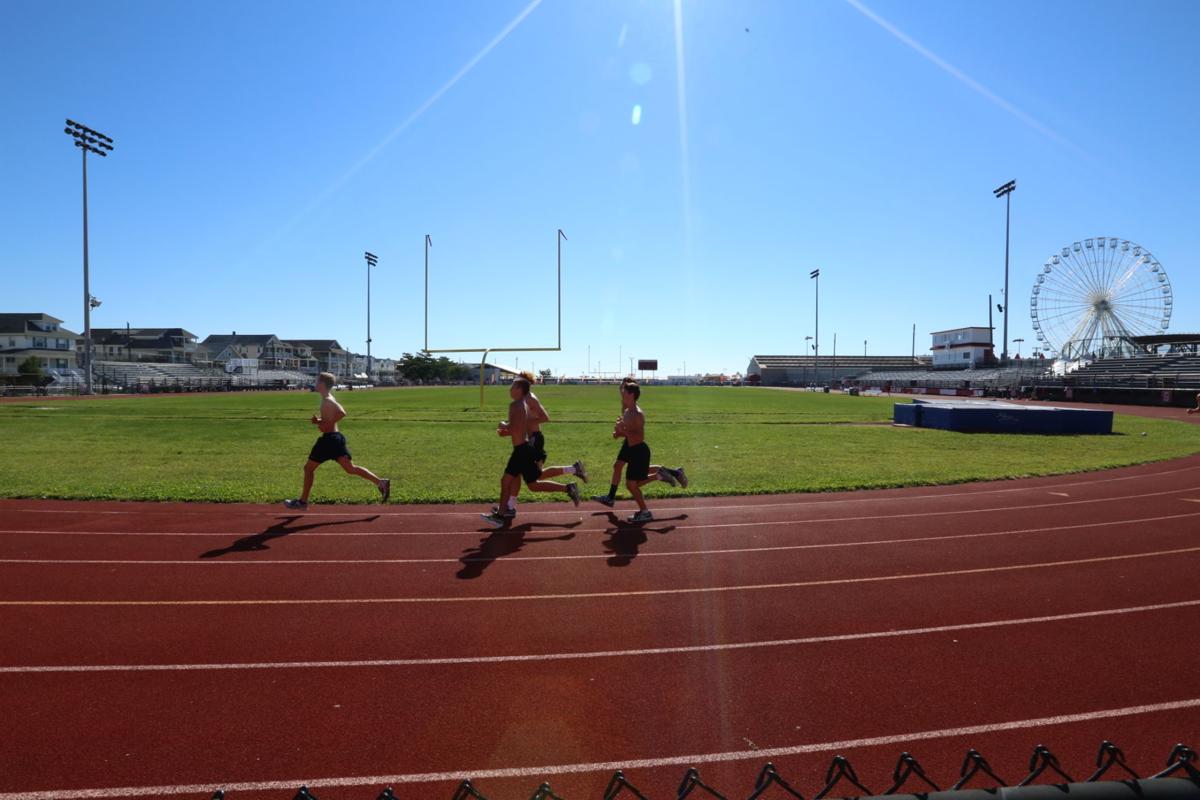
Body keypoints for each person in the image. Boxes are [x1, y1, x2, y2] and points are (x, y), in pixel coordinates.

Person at [482, 375, 582, 527]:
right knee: (533, 484)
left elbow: (518, 427)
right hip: (524, 448)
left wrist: (504, 425)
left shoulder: (516, 405)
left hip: (521, 450)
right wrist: (508, 430)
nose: (510, 388)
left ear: (520, 390)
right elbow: (521, 427)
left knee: (506, 481)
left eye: (513, 386)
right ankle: (568, 487)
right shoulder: (522, 404)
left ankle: (501, 514)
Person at [284, 372, 390, 510]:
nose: (315, 384)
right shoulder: (327, 398)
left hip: (329, 440)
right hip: (335, 439)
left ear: (322, 384)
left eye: (317, 381)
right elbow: (331, 417)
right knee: (350, 469)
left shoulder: (328, 399)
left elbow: (342, 412)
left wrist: (327, 424)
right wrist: (320, 421)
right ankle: (381, 482)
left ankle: (303, 502)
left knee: (308, 468)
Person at [610, 380, 687, 523]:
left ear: (631, 394)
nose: (622, 393)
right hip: (633, 449)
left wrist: (622, 430)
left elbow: (638, 437)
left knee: (632, 484)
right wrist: (619, 433)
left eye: (624, 391)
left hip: (639, 450)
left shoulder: (637, 415)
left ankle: (645, 511)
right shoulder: (627, 411)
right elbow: (628, 433)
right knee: (634, 483)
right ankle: (663, 475)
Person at [593, 377, 636, 507]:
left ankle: (670, 472)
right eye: (621, 387)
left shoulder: (630, 404)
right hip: (628, 441)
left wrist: (619, 432)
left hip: (633, 442)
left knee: (638, 471)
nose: (621, 390)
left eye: (624, 388)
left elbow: (633, 429)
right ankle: (610, 497)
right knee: (618, 466)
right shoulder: (625, 402)